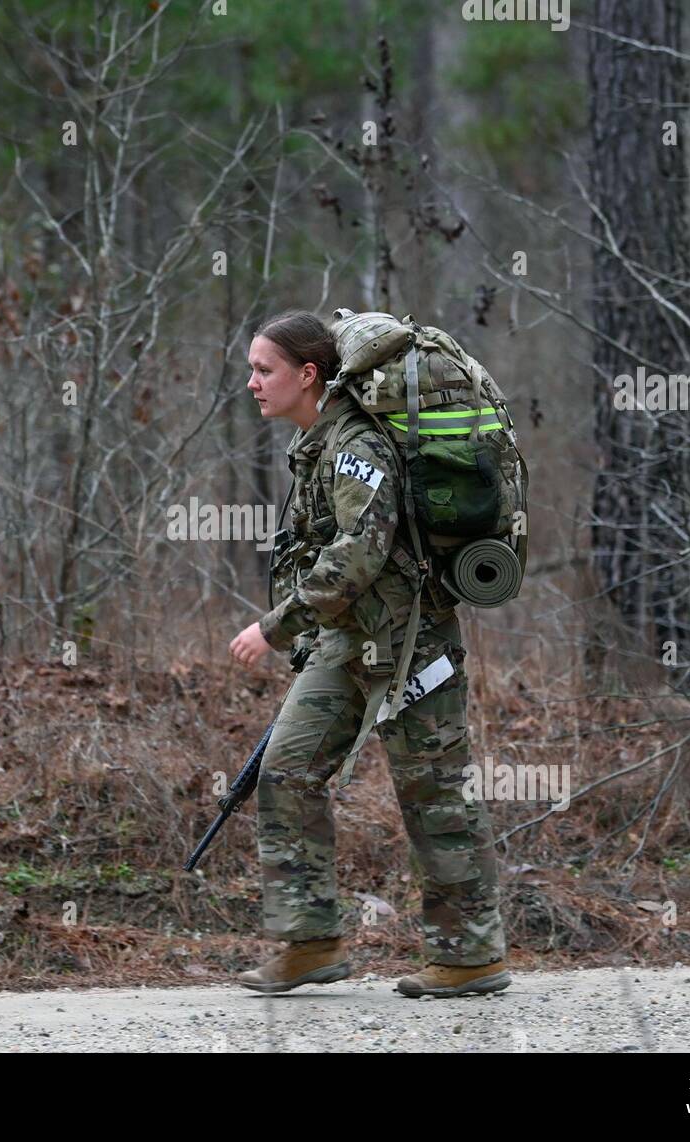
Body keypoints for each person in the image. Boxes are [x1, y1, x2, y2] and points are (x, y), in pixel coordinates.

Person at [228, 309, 509, 998]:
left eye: (264, 370)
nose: (252, 383)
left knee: (433, 795)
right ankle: (310, 941)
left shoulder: (355, 444)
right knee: (287, 770)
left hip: (412, 646)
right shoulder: (318, 443)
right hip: (347, 644)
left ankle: (471, 956)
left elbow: (360, 552)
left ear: (308, 374)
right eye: (252, 370)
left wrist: (277, 626)